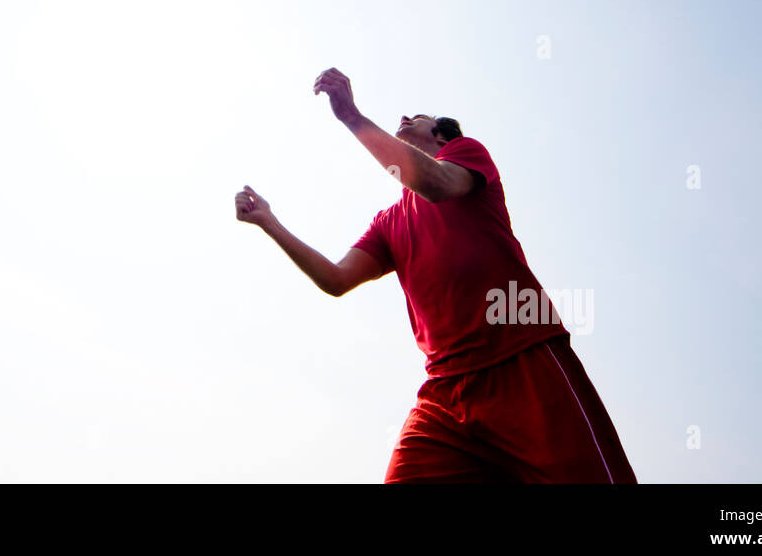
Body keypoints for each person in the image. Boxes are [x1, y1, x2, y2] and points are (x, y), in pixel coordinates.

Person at [235, 67, 637, 484]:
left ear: (442, 137)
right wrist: (270, 223)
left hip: (520, 358)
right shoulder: (388, 223)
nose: (408, 116)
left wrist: (352, 117)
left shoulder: (464, 154)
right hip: (445, 394)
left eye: (422, 117)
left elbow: (437, 186)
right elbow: (337, 279)